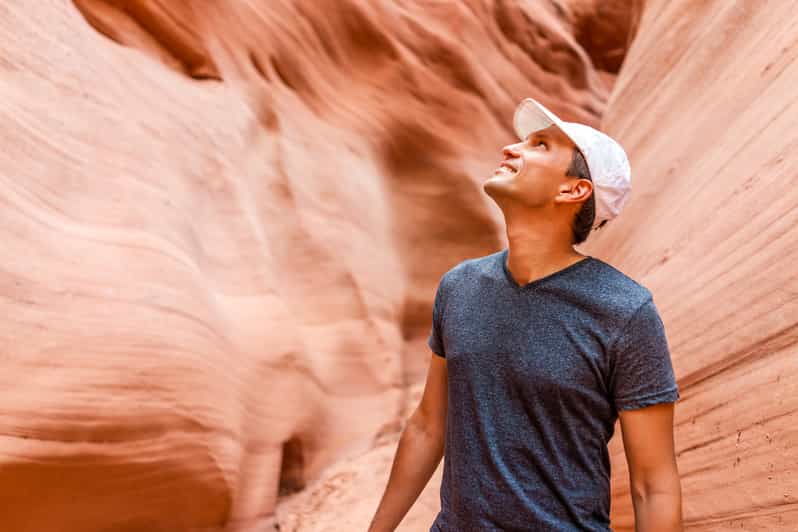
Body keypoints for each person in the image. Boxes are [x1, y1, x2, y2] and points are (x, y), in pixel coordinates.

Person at [368, 98, 683, 532]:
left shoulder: (625, 312)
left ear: (574, 190)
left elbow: (654, 484)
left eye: (539, 145)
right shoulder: (459, 287)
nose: (511, 149)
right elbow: (428, 426)